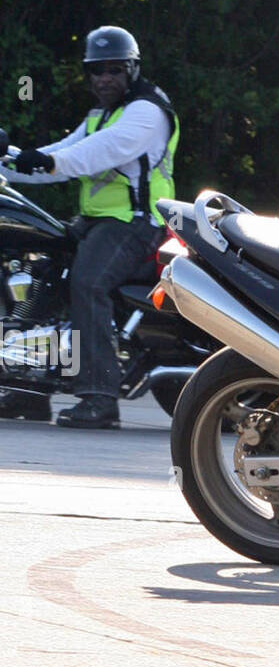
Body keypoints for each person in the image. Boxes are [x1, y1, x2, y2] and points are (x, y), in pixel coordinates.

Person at [1, 26, 179, 429]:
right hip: (99, 224)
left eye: (114, 70)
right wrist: (9, 160)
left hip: (138, 225)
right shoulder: (102, 114)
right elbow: (59, 154)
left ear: (132, 69)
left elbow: (95, 154)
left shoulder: (147, 110)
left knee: (87, 282)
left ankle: (99, 396)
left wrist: (42, 162)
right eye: (95, 71)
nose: (103, 79)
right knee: (46, 270)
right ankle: (29, 391)